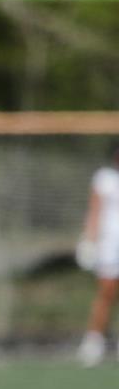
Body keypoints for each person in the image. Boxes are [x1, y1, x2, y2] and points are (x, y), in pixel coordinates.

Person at [76, 145, 119, 367]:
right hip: (110, 246)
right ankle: (94, 341)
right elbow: (94, 210)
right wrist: (89, 240)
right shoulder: (106, 179)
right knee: (106, 292)